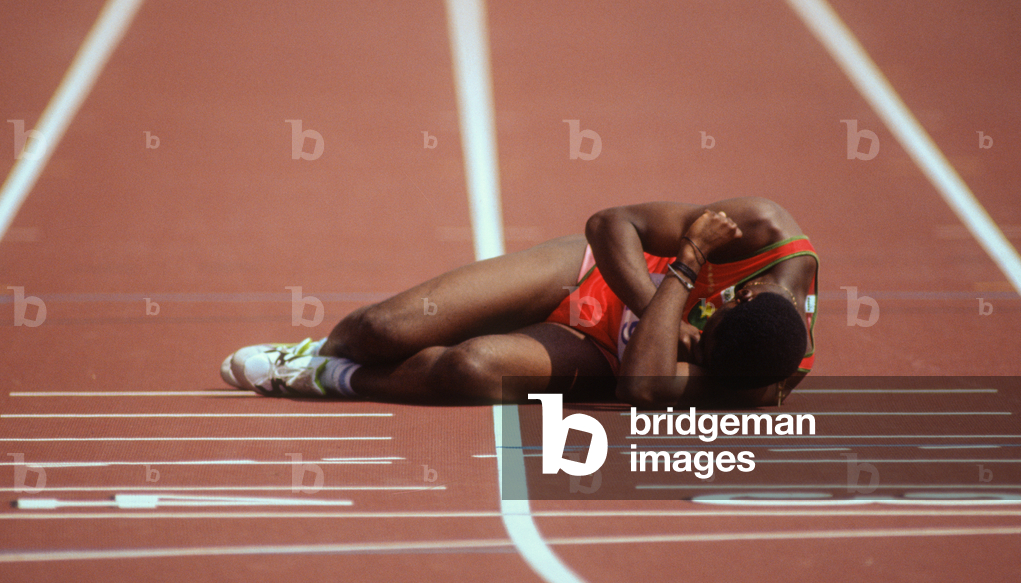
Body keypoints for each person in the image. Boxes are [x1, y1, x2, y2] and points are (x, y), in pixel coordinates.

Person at [221, 198, 818, 407]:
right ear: (741, 292)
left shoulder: (761, 379)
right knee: (384, 327)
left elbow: (643, 389)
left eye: (703, 349)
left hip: (604, 353)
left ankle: (329, 376)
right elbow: (610, 223)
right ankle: (329, 347)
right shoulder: (760, 230)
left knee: (470, 367)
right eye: (708, 329)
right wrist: (660, 298)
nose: (700, 335)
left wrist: (687, 267)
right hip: (588, 276)